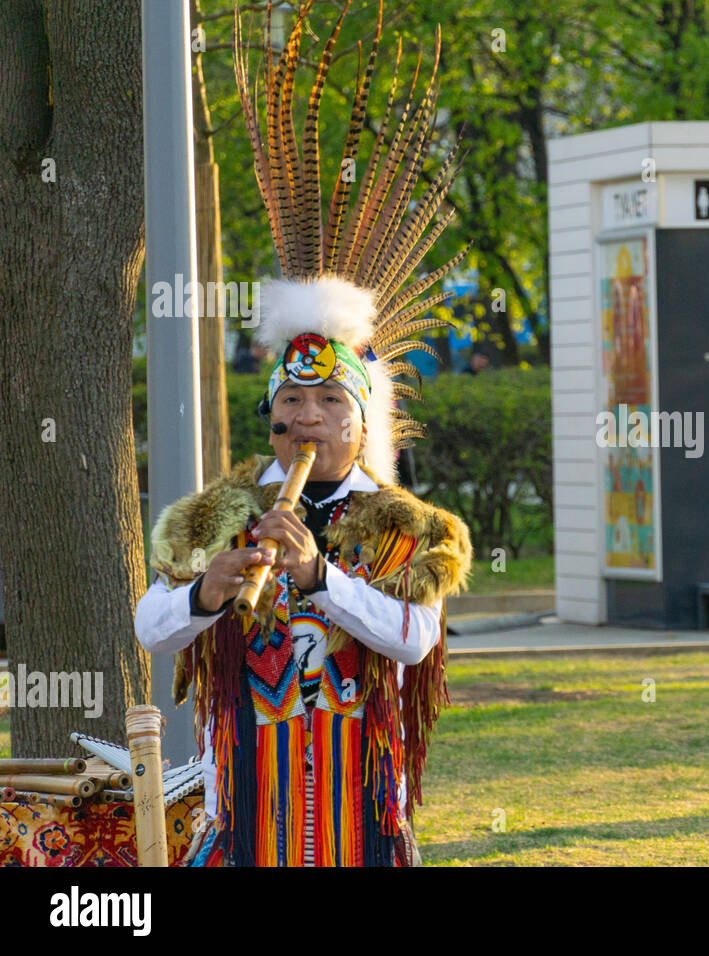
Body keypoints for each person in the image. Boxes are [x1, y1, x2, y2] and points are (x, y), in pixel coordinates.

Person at [133, 5, 471, 867]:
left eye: (328, 403)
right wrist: (206, 593)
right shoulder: (222, 511)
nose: (305, 420)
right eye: (291, 404)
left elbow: (415, 639)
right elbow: (149, 629)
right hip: (246, 816)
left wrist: (320, 576)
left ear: (361, 423)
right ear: (271, 419)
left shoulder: (406, 526)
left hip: (361, 820)